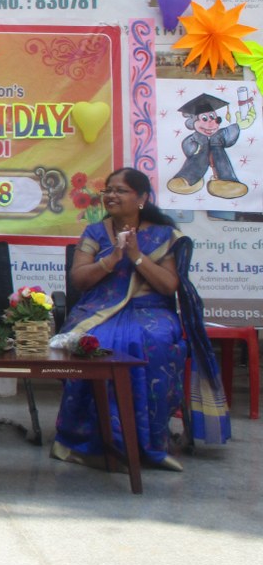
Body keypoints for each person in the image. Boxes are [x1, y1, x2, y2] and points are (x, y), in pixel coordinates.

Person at [52, 167, 212, 472]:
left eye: (120, 190)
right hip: (99, 309)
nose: (111, 195)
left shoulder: (164, 235)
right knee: (93, 343)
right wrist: (110, 260)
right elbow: (80, 281)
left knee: (152, 341)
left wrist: (137, 255)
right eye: (108, 190)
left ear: (141, 198)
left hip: (151, 310)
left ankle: (150, 444)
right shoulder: (96, 233)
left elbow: (168, 286)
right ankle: (89, 444)